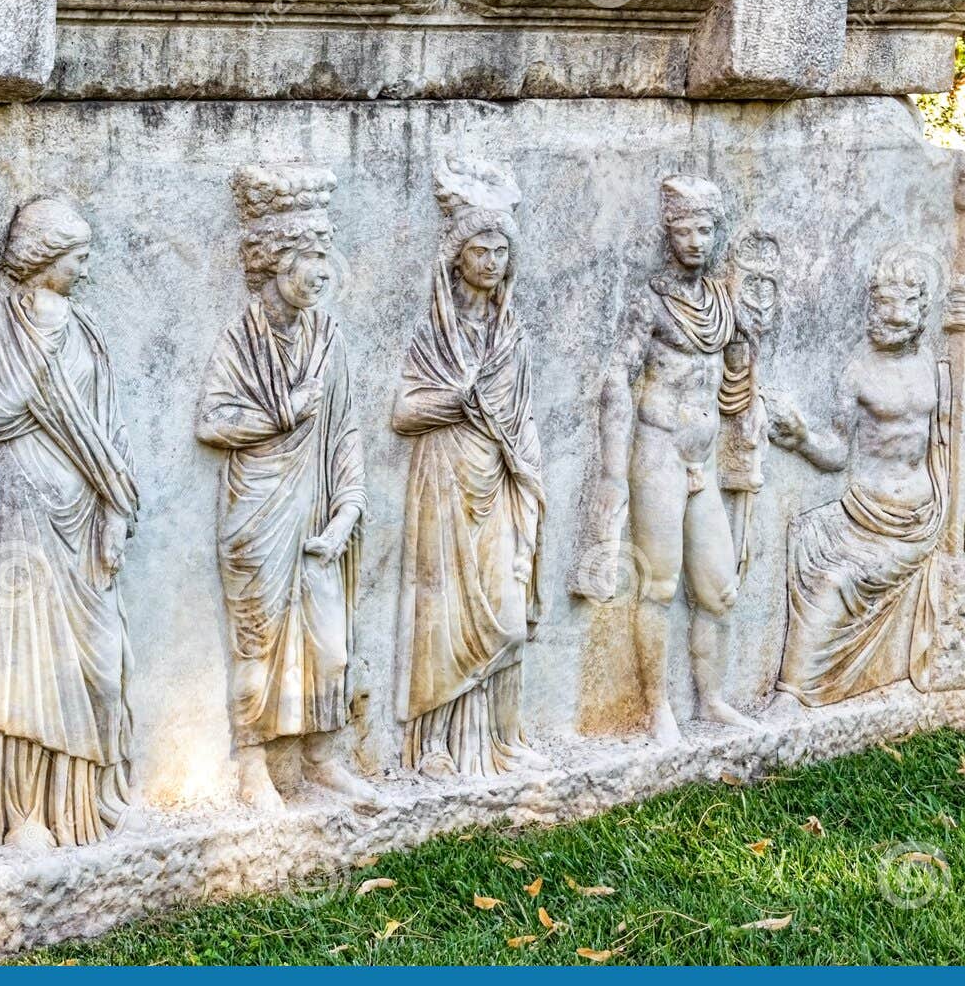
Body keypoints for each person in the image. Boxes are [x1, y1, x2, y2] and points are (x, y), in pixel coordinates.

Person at [0, 197, 140, 850]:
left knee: (98, 660)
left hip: (86, 508)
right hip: (18, 508)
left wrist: (117, 510)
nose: (86, 271)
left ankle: (83, 804)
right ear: (44, 258)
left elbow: (109, 425)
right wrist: (36, 353)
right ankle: (26, 815)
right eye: (77, 258)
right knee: (26, 663)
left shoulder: (86, 330)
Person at [196, 165, 377, 811]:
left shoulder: (327, 338)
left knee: (328, 649)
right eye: (308, 257)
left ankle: (323, 757)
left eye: (325, 256)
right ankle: (252, 764)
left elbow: (346, 427)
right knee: (259, 641)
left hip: (317, 513)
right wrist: (280, 414)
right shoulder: (242, 339)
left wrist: (348, 506)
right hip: (257, 512)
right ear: (274, 262)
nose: (322, 271)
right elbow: (212, 421)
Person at [569, 175, 758, 743]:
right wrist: (611, 472)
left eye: (705, 230)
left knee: (719, 587)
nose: (696, 241)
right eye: (685, 231)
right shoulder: (648, 301)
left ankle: (712, 699)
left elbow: (740, 374)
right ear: (668, 234)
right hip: (657, 451)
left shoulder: (725, 302)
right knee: (659, 585)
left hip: (700, 458)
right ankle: (658, 708)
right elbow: (617, 382)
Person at [393, 158, 547, 777]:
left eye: (500, 250)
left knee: (507, 608)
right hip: (445, 479)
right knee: (441, 608)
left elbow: (524, 411)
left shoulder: (512, 336)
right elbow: (404, 411)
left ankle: (502, 740)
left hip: (502, 479)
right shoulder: (437, 333)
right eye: (480, 248)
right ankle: (433, 746)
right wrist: (454, 400)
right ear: (457, 257)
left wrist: (529, 468)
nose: (491, 260)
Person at [767, 247, 946, 707]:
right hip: (866, 514)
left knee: (836, 580)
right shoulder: (858, 371)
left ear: (920, 309)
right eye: (882, 304)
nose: (891, 315)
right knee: (825, 571)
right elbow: (834, 455)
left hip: (921, 519)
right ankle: (793, 693)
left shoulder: (934, 364)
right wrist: (803, 436)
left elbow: (946, 438)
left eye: (904, 305)